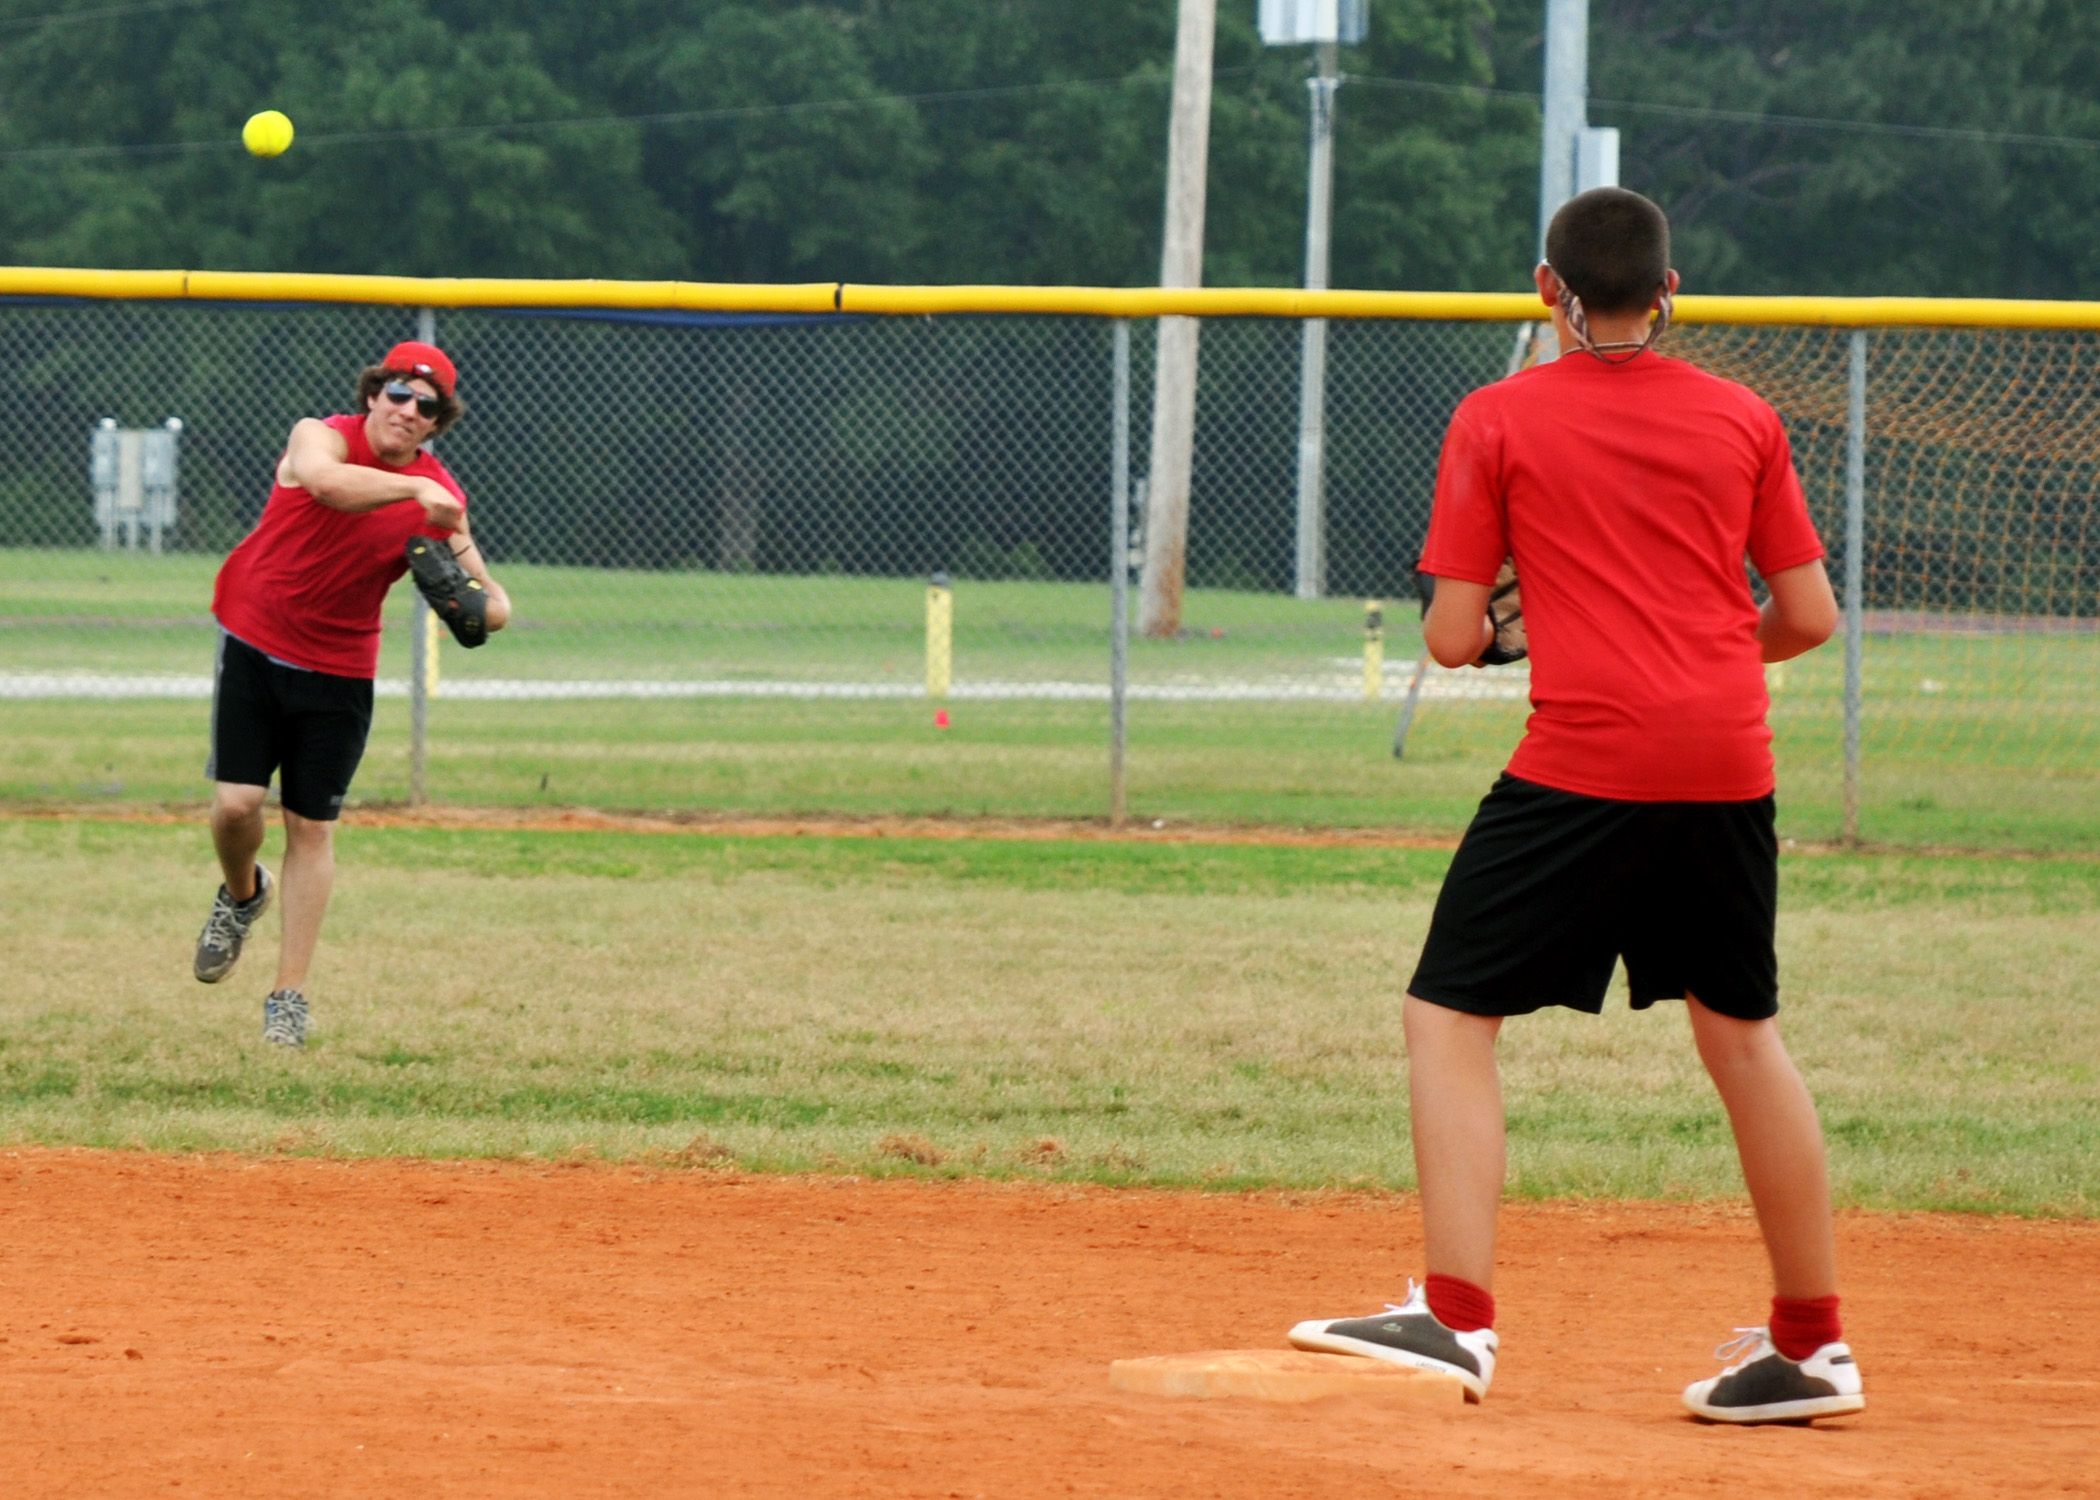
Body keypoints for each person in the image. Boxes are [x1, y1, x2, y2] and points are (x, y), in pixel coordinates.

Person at [1287, 189, 1858, 1425]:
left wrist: (1517, 637)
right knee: (1742, 1033)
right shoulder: (1744, 415)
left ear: (1545, 289)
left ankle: (1455, 1317)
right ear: (1671, 290)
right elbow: (1808, 618)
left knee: (1448, 1015)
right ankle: (1812, 1349)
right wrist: (1697, 654)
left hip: (1588, 759)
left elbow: (1448, 638)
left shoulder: (1497, 418)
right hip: (1725, 758)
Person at [192, 341, 510, 1048]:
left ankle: (288, 997)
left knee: (312, 828)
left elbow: (496, 605)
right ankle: (243, 895)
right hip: (253, 639)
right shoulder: (321, 435)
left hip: (339, 669)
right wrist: (416, 494)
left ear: (436, 423)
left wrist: (465, 601)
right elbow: (325, 482)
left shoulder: (439, 498)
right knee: (237, 804)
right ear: (374, 394)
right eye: (399, 392)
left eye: (427, 406)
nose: (409, 410)